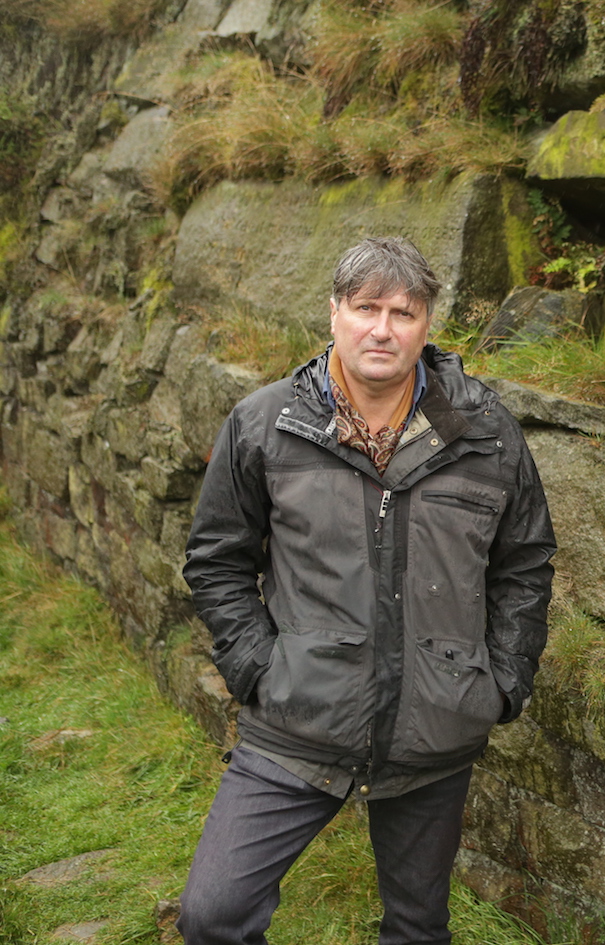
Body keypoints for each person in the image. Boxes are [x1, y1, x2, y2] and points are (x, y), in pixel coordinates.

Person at [178, 236, 556, 945]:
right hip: (295, 720)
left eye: (403, 312)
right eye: (365, 308)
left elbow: (523, 563)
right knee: (212, 914)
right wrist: (258, 666)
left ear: (426, 324)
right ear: (333, 313)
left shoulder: (483, 431)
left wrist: (501, 680)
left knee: (417, 927)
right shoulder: (266, 423)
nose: (382, 328)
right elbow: (217, 557)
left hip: (434, 728)